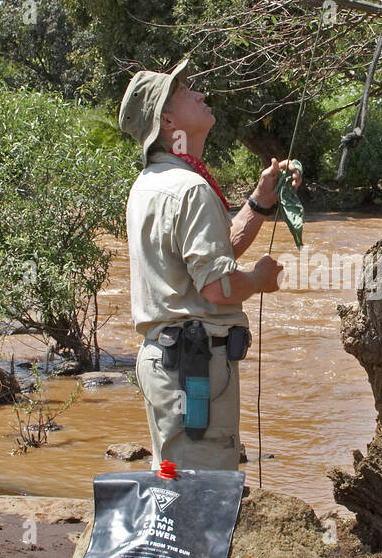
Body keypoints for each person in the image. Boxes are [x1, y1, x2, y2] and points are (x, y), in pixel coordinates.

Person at [118, 56, 301, 472]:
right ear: (167, 121)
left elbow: (213, 257)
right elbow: (217, 287)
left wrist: (259, 202)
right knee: (201, 490)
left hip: (173, 364)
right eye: (185, 93)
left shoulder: (152, 182)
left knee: (178, 479)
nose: (199, 94)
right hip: (195, 371)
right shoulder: (189, 188)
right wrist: (259, 279)